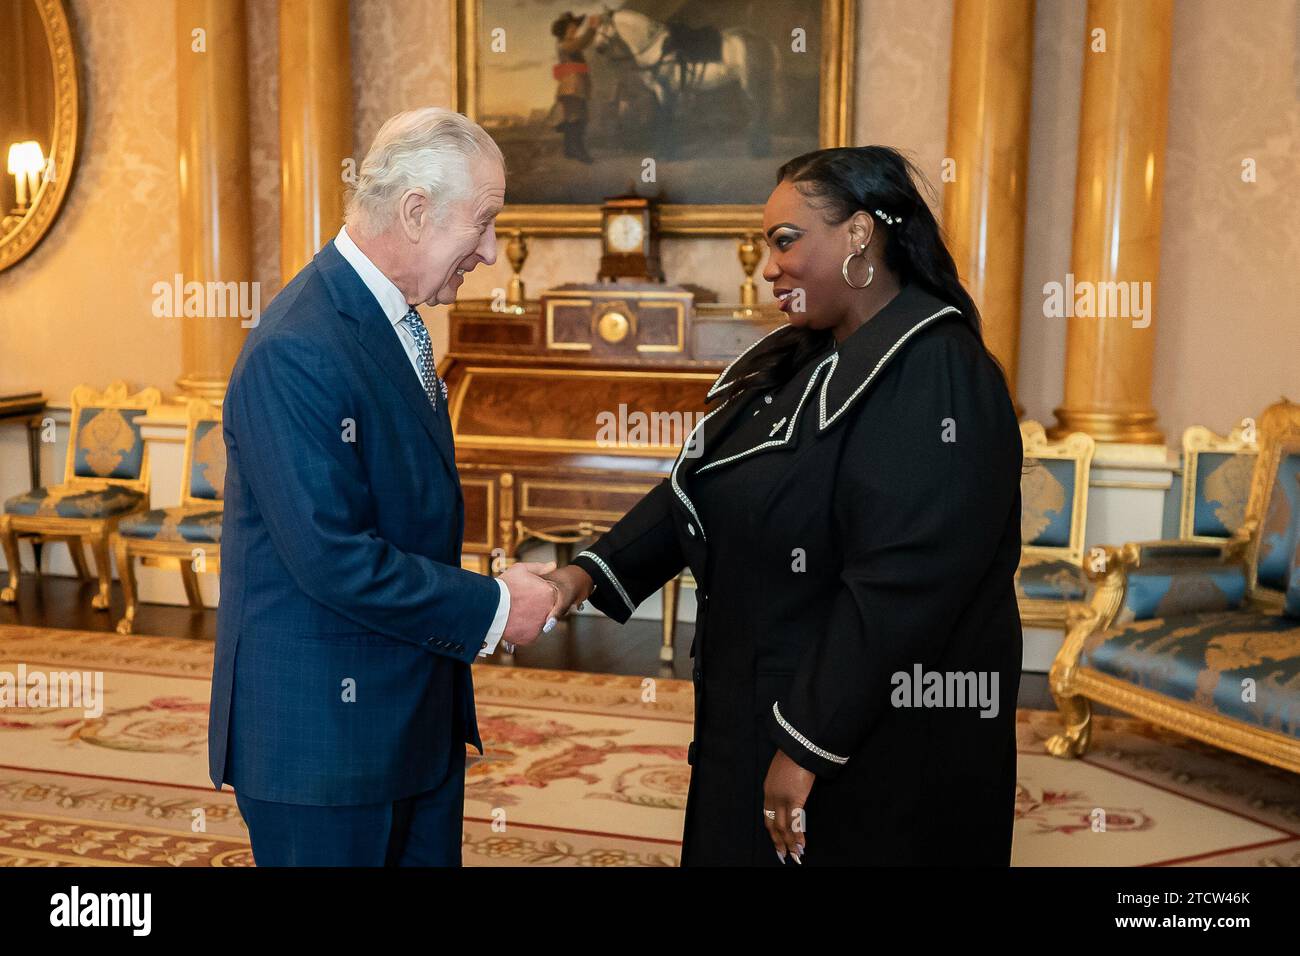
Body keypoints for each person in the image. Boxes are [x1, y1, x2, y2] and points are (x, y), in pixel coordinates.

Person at [545, 146, 1024, 866]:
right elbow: (701, 485)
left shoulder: (939, 373)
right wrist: (580, 576)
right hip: (757, 706)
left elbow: (903, 587)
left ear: (860, 234)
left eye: (785, 241)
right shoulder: (803, 358)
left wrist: (806, 744)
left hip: (868, 742)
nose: (769, 265)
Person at [208, 108, 562, 866]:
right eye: (486, 223)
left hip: (409, 723)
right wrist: (496, 606)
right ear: (415, 210)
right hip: (324, 750)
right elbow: (334, 559)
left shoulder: (389, 319)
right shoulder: (297, 346)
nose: (492, 252)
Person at [551, 11, 602, 163]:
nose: (574, 29)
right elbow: (582, 42)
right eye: (571, 27)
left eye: (575, 27)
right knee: (577, 120)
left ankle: (569, 150)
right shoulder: (565, 44)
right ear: (564, 29)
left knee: (572, 119)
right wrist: (592, 29)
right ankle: (580, 152)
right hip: (571, 88)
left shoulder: (569, 43)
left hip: (576, 88)